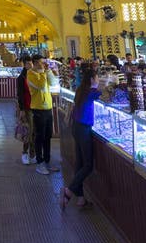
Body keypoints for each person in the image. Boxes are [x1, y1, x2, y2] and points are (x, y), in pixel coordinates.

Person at [61, 64, 101, 209]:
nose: (98, 79)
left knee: (79, 163)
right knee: (88, 165)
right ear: (91, 79)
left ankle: (80, 198)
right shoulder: (91, 92)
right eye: (97, 77)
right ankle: (69, 190)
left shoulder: (81, 90)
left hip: (76, 126)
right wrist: (106, 83)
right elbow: (106, 95)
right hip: (83, 129)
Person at [27, 54, 59, 174]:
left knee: (47, 136)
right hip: (38, 108)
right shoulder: (31, 74)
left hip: (48, 107)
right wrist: (43, 72)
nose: (43, 64)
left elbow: (53, 82)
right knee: (39, 136)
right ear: (35, 63)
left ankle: (47, 161)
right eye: (41, 62)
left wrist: (49, 71)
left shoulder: (43, 73)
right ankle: (39, 162)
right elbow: (40, 86)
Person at [16, 55, 36, 165]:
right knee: (29, 131)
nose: (30, 65)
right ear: (24, 64)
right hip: (28, 107)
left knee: (35, 132)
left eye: (31, 63)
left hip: (36, 106)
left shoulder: (34, 75)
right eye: (28, 63)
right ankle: (25, 153)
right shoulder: (21, 77)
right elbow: (20, 94)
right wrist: (22, 109)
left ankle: (33, 154)